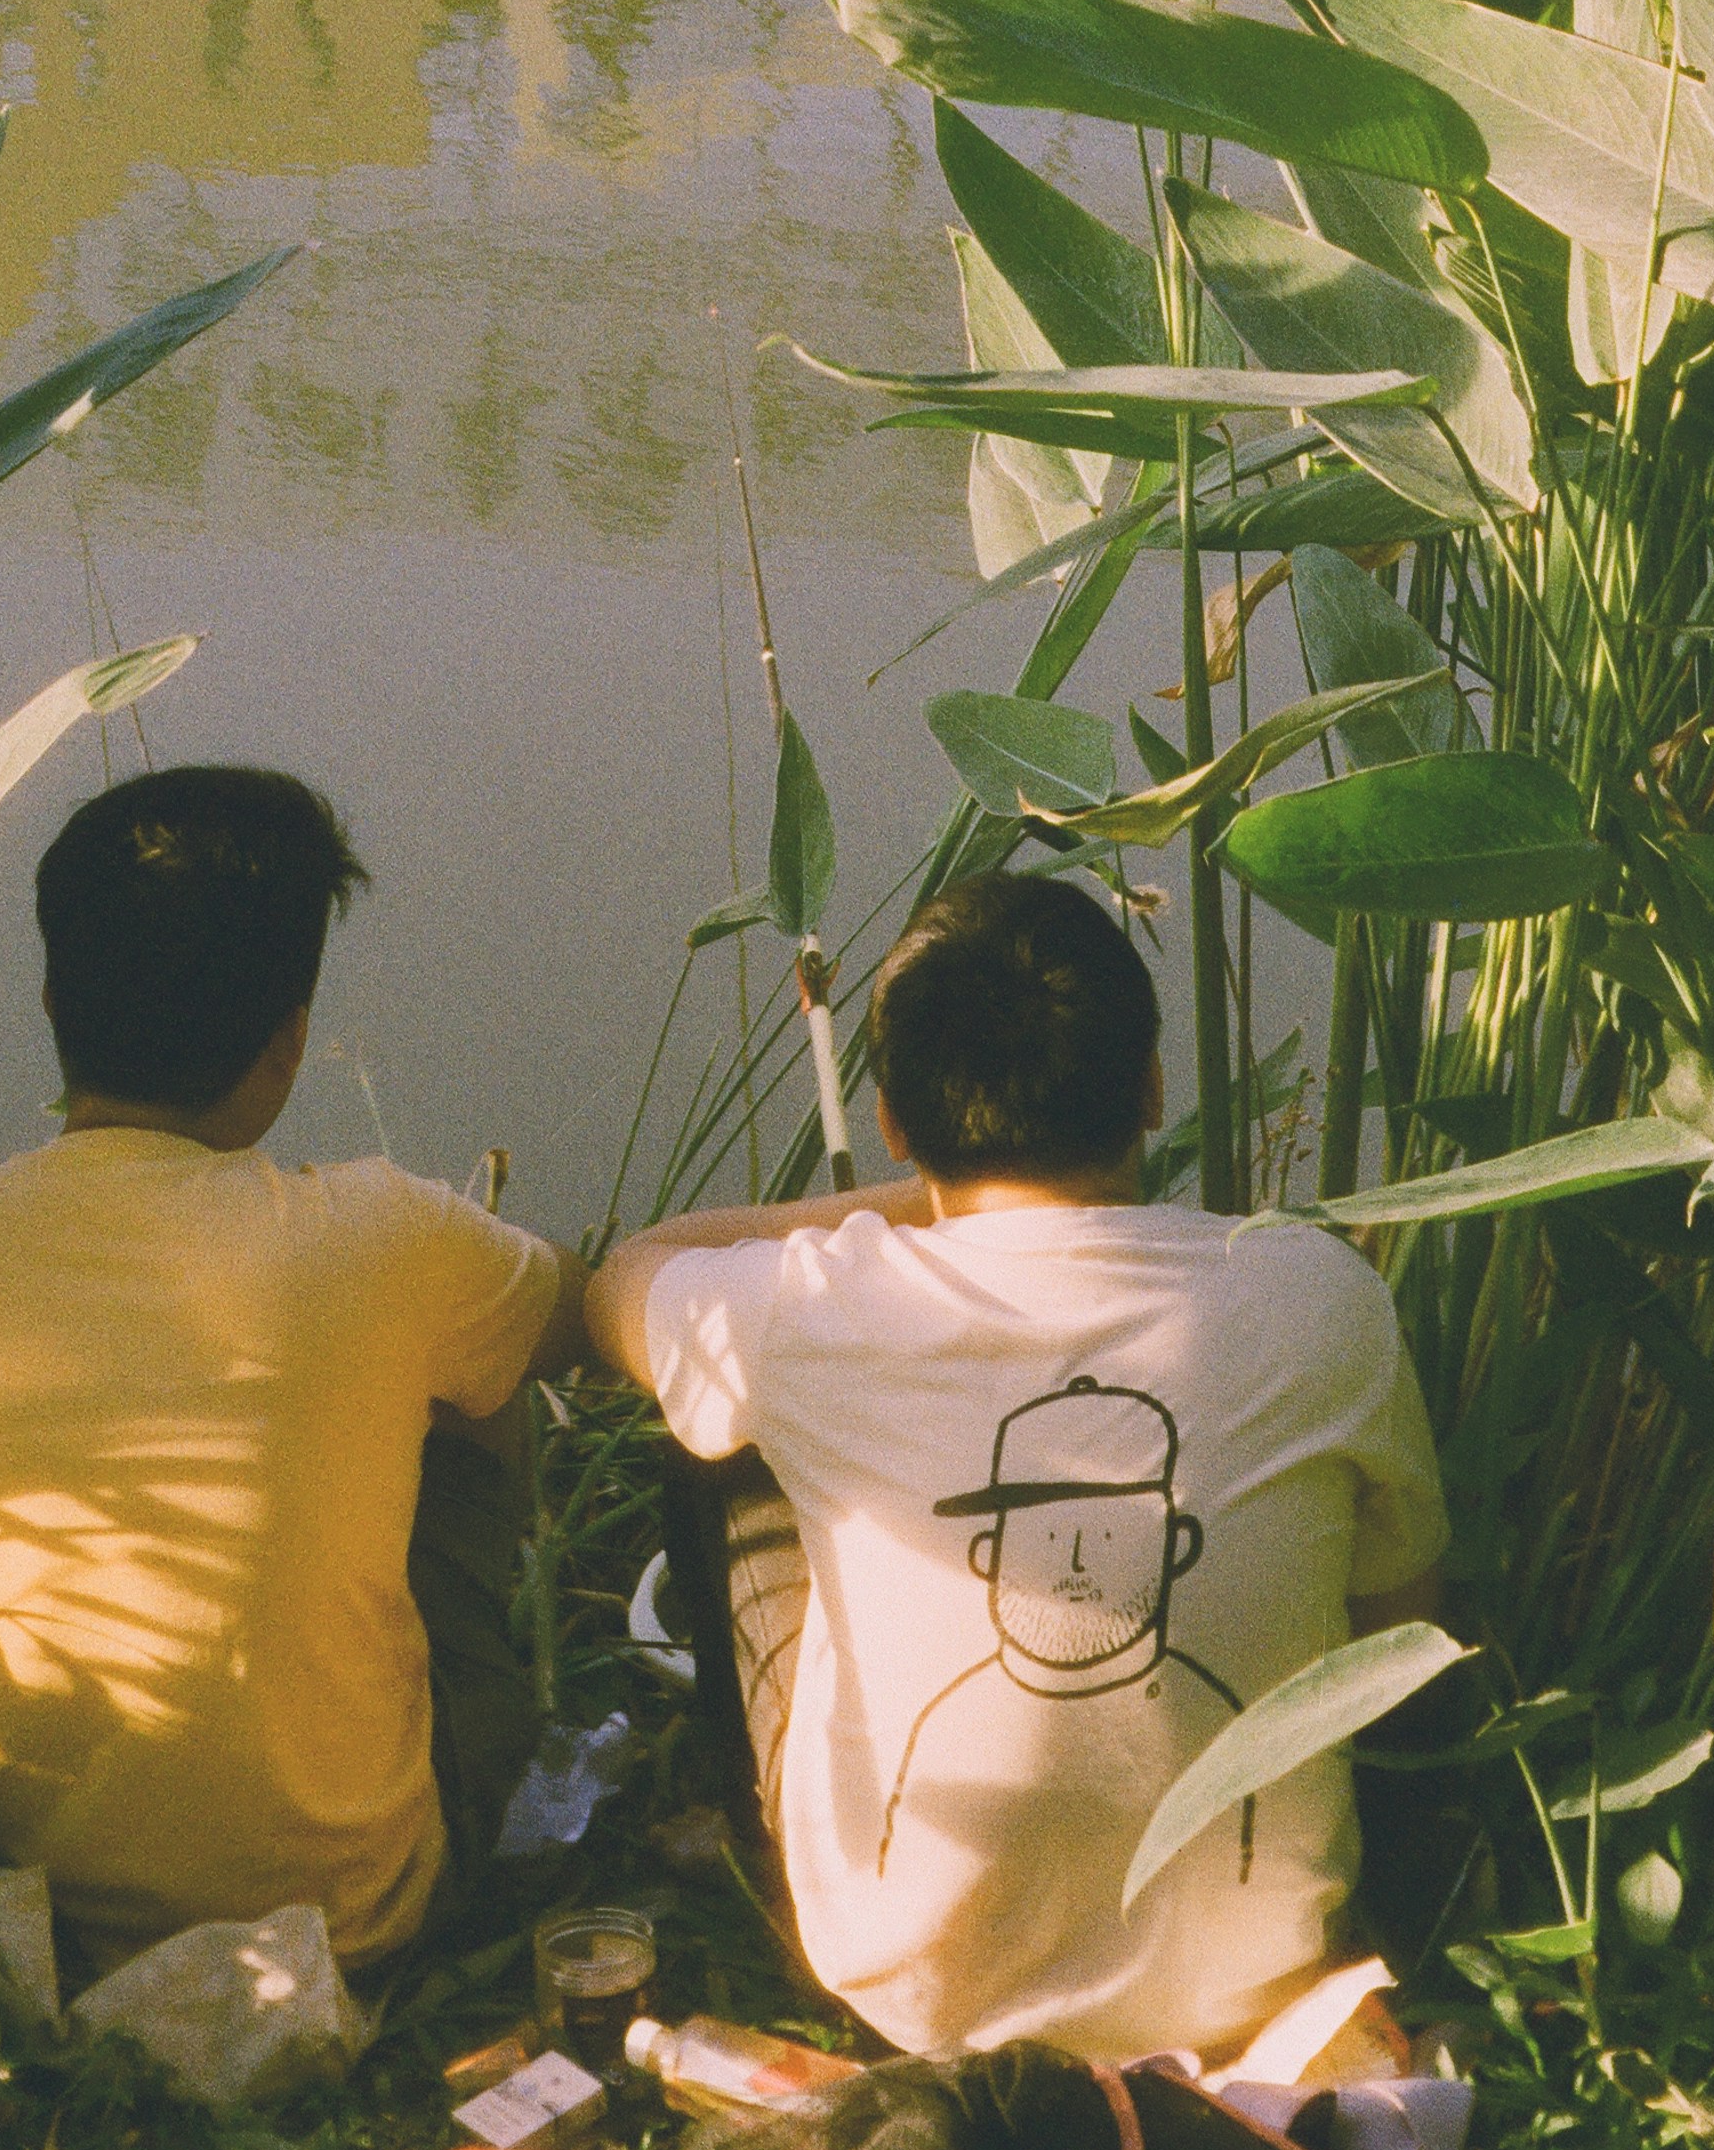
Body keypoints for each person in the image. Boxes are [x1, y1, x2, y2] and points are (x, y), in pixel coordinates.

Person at [592, 877, 1447, 2070]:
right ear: (1150, 1086)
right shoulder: (1319, 1291)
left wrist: (906, 1203)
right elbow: (1400, 1626)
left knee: (713, 1427)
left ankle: (757, 1831)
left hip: (919, 1996)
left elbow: (621, 1278)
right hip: (1257, 1982)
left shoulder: (813, 1311)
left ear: (892, 1122)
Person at [0, 766, 574, 1980]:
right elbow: (577, 1318)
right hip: (340, 1927)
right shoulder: (391, 1236)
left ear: (49, 996)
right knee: (474, 1390)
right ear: (287, 1045)